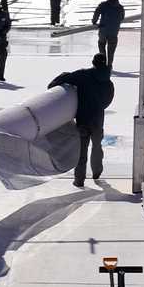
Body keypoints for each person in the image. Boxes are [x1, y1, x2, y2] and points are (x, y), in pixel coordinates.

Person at [49, 53, 114, 187]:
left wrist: (55, 82)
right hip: (98, 120)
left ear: (93, 62)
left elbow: (64, 79)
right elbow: (108, 100)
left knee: (81, 152)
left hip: (83, 119)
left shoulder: (83, 75)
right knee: (97, 147)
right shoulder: (108, 81)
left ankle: (79, 180)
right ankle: (97, 173)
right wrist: (99, 107)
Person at [92, 0, 126, 68]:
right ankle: (109, 65)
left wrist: (94, 21)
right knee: (111, 49)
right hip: (114, 31)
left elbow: (96, 13)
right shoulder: (120, 7)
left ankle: (102, 63)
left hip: (103, 29)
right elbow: (122, 18)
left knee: (101, 45)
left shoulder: (103, 5)